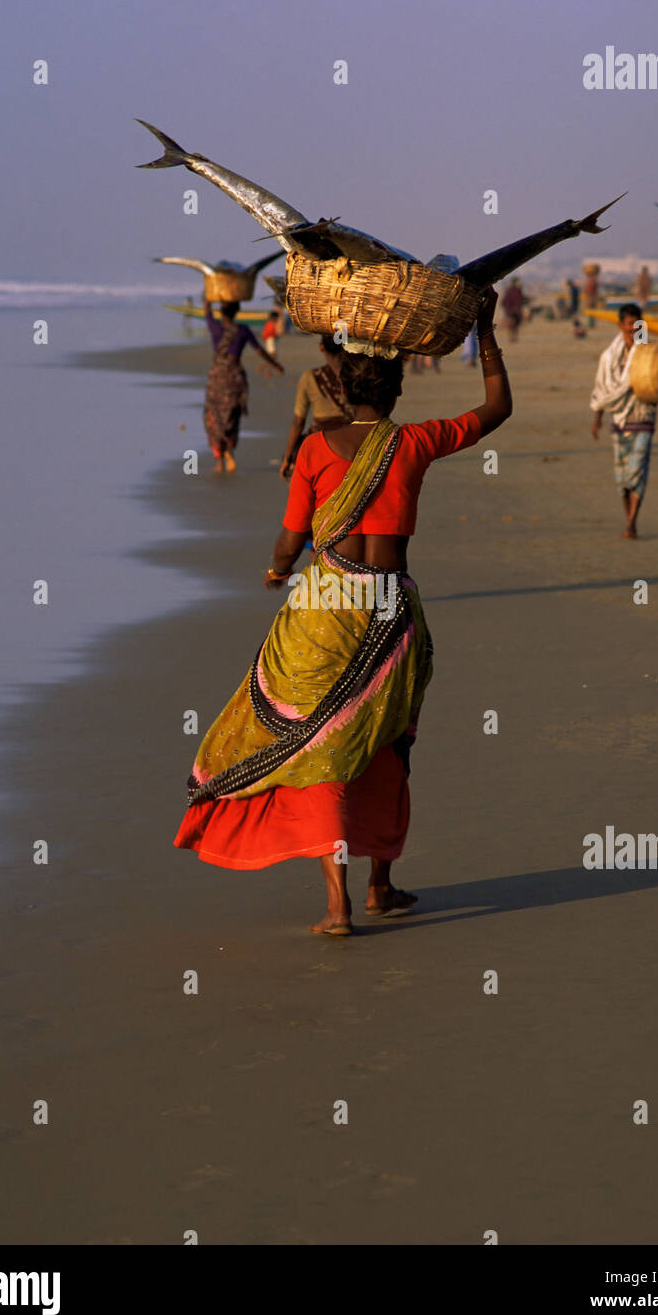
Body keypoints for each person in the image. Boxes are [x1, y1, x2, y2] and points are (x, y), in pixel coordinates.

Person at [173, 290, 512, 935]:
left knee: (318, 744)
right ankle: (381, 884)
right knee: (387, 742)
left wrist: (277, 572)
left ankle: (338, 904)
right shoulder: (415, 442)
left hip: (326, 607)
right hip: (389, 607)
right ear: (397, 391)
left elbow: (291, 538)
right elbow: (497, 408)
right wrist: (486, 331)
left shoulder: (314, 450)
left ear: (342, 388)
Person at [590, 302, 657, 538]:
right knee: (621, 478)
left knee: (637, 471)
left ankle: (631, 522)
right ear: (620, 325)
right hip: (619, 419)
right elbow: (602, 390)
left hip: (643, 416)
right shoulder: (608, 357)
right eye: (630, 324)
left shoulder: (649, 352)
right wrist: (597, 419)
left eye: (637, 324)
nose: (633, 328)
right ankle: (629, 518)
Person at [204, 299, 283, 474]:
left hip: (216, 377)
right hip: (234, 377)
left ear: (222, 312)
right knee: (232, 414)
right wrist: (276, 365)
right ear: (236, 311)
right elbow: (259, 350)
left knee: (213, 415)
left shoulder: (214, 327)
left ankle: (218, 460)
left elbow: (207, 312)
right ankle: (229, 453)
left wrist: (209, 298)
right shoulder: (242, 330)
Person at [280, 333, 351, 480]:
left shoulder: (310, 377)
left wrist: (288, 457)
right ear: (344, 345)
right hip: (351, 438)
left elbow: (298, 422)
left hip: (321, 439)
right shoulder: (356, 376)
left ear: (321, 347)